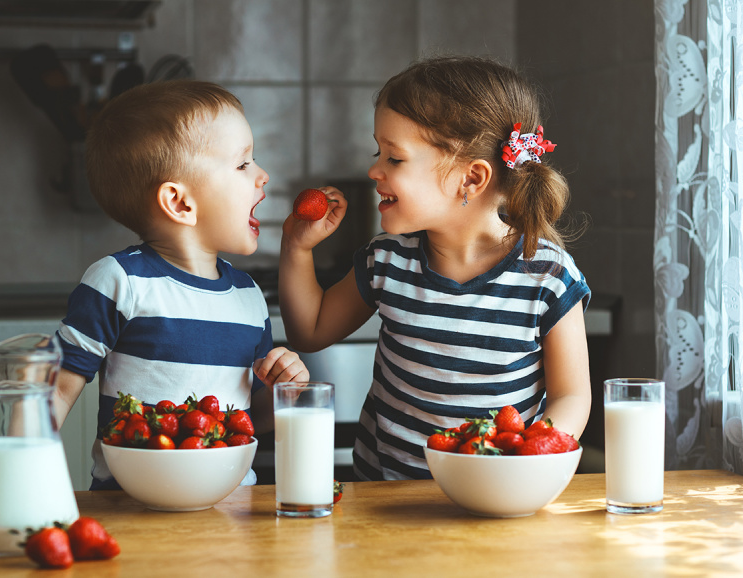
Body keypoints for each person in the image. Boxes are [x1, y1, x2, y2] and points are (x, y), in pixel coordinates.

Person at [278, 55, 591, 481]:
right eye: (378, 152)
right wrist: (297, 249)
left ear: (471, 178)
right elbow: (309, 331)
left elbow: (572, 396)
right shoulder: (387, 259)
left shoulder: (547, 277)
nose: (374, 170)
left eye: (395, 158)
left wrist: (529, 460)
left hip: (492, 495)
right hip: (384, 499)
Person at [53, 80, 309, 489]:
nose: (262, 176)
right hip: (131, 513)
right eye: (243, 164)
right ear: (180, 203)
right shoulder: (119, 282)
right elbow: (57, 391)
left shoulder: (248, 297)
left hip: (231, 514)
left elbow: (249, 420)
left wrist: (284, 395)